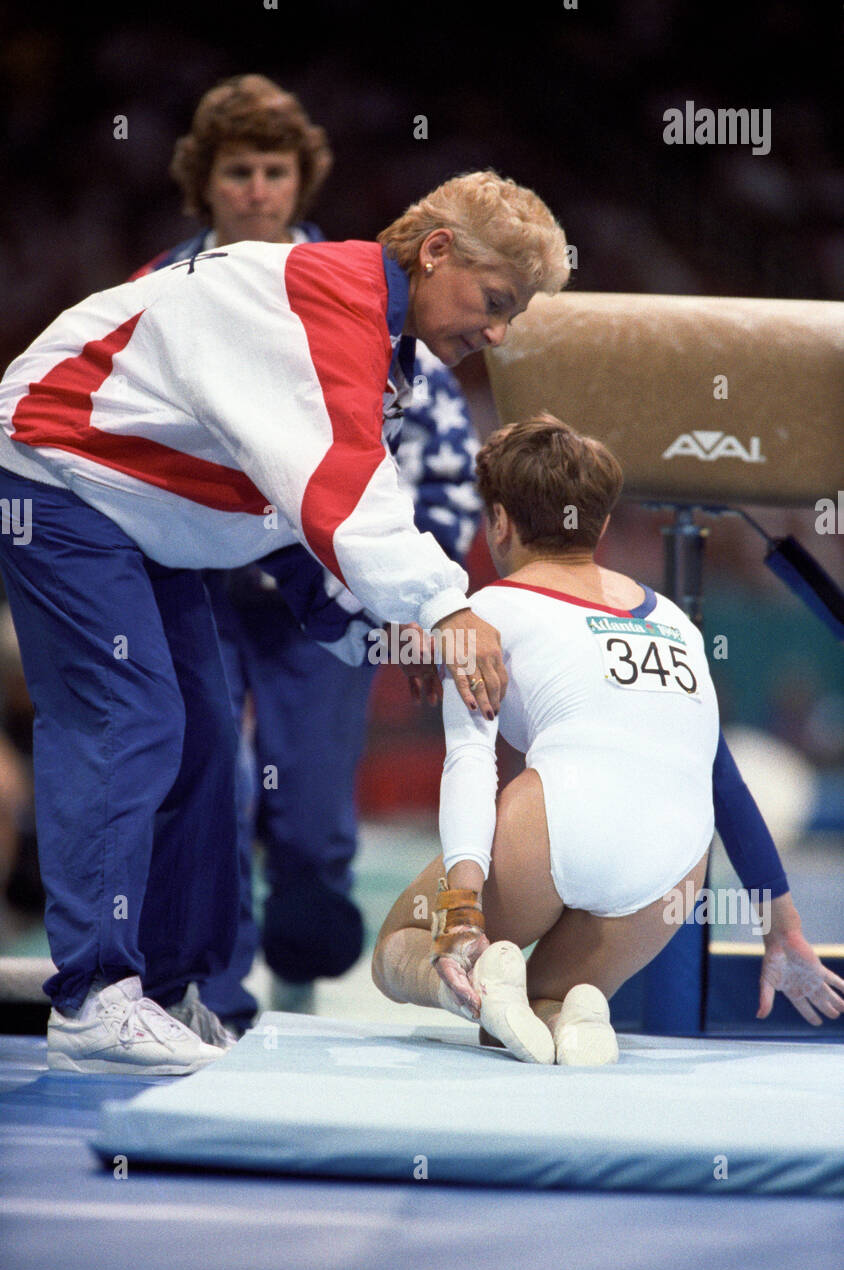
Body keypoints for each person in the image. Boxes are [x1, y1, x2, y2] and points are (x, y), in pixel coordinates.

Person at [0, 172, 571, 1072]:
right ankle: (92, 999)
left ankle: (164, 990)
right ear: (436, 252)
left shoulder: (381, 345)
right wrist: (444, 607)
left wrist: (377, 631)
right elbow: (334, 490)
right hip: (59, 471)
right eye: (495, 301)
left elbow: (284, 509)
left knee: (202, 739)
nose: (496, 333)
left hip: (145, 505)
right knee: (132, 718)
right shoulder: (325, 297)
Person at [131, 75, 485, 1030]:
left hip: (321, 595)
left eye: (273, 171)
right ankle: (217, 992)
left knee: (313, 825)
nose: (256, 190)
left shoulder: (365, 291)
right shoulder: (156, 290)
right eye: (237, 171)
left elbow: (445, 456)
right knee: (208, 791)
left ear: (299, 181)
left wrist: (419, 607)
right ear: (203, 183)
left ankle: (291, 959)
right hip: (193, 586)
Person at [371, 415, 844, 1063]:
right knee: (526, 1014)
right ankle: (578, 1008)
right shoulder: (675, 620)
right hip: (670, 869)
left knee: (400, 945)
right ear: (598, 526)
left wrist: (462, 911)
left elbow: (471, 765)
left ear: (501, 523)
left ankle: (466, 984)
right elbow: (723, 782)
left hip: (557, 823)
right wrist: (782, 928)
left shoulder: (481, 616)